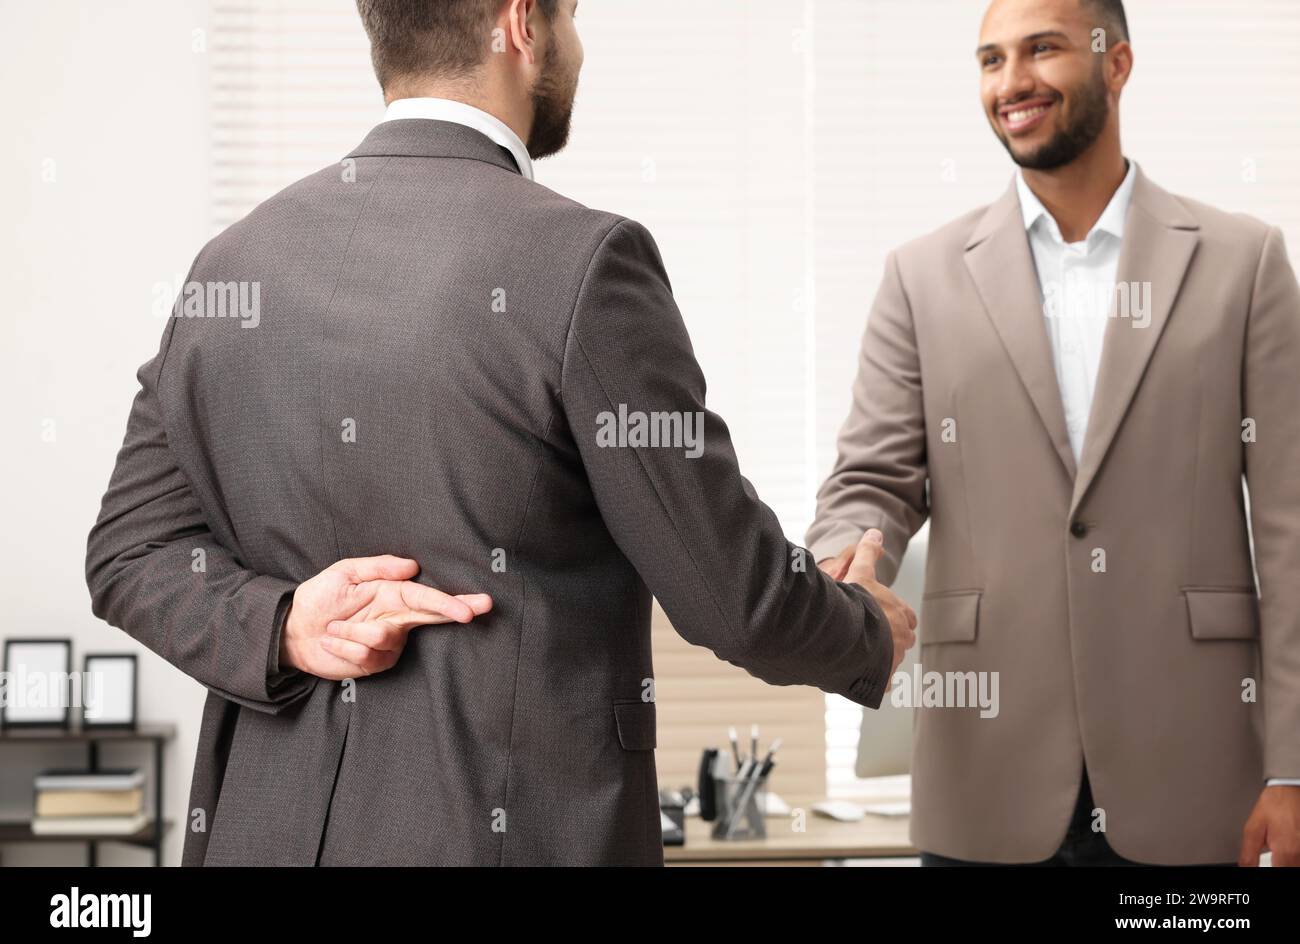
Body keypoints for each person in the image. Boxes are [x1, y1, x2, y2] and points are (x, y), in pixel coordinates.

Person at [85, 0, 915, 866]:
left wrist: (284, 624)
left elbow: (127, 550)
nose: (579, 46)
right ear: (521, 23)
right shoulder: (585, 263)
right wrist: (865, 630)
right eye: (574, 16)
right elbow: (733, 594)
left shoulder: (229, 265)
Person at [809, 0, 1300, 866]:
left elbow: (1292, 529)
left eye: (1042, 50)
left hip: (1194, 774)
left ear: (1117, 64)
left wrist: (1293, 769)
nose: (1013, 82)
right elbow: (871, 480)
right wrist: (850, 557)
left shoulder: (1244, 263)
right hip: (985, 773)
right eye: (991, 60)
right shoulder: (921, 277)